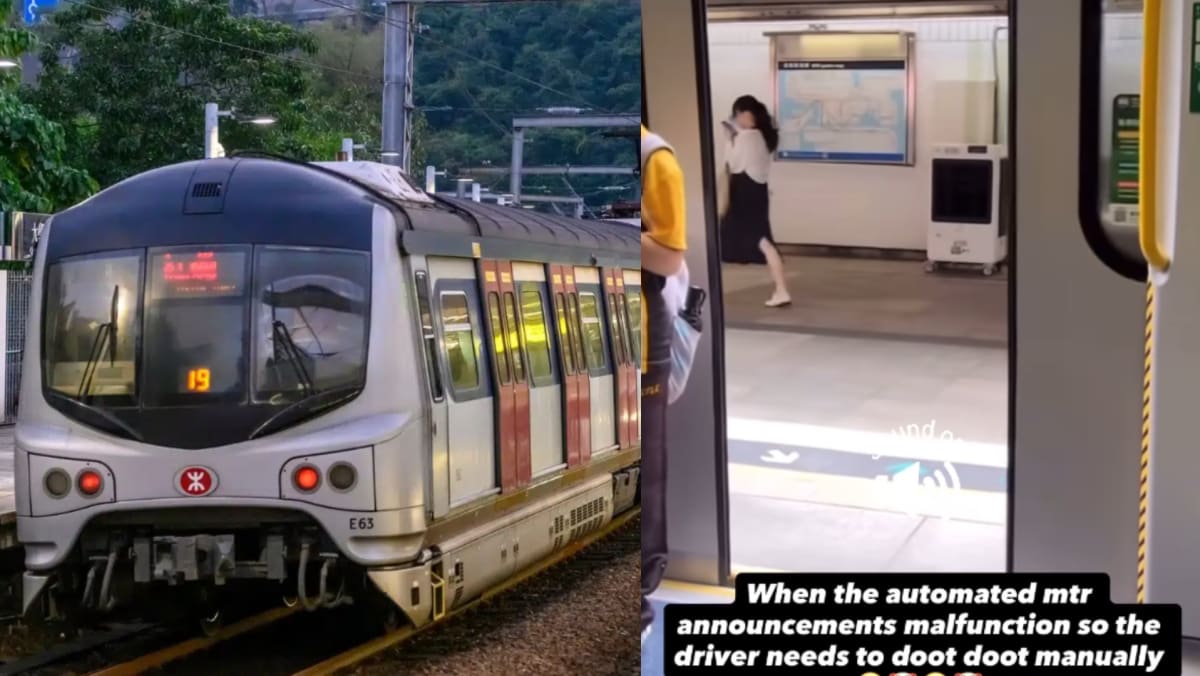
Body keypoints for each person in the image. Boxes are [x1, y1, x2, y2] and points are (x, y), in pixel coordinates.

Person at [639, 123, 686, 646]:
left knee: (650, 463)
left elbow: (669, 256)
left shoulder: (658, 159)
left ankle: (642, 604)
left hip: (646, 332)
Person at [719, 95, 790, 307]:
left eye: (737, 114)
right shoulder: (760, 136)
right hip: (756, 193)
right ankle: (781, 289)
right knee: (764, 242)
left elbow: (731, 164)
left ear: (745, 114)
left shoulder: (747, 136)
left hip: (744, 194)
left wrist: (729, 139)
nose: (737, 118)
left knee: (727, 239)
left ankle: (782, 290)